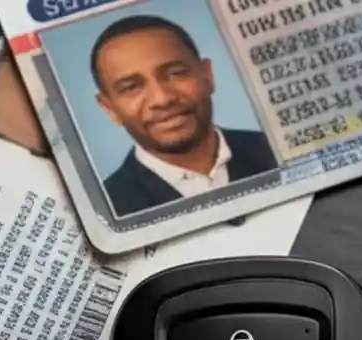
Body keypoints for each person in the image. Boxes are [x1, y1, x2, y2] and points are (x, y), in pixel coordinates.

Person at [91, 14, 278, 216]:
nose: (162, 99)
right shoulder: (106, 211)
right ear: (109, 108)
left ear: (207, 75)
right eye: (132, 87)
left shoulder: (281, 151)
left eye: (176, 73)